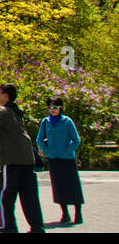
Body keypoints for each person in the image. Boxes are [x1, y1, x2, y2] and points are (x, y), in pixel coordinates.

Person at [0, 83, 45, 233]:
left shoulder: (3, 111)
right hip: (27, 158)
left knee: (6, 194)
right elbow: (8, 131)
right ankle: (37, 227)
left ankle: (9, 226)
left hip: (12, 159)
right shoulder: (16, 112)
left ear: (5, 96)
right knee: (29, 196)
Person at [36, 96, 84, 225]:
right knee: (59, 187)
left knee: (72, 186)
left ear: (60, 108)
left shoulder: (67, 121)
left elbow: (76, 140)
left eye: (55, 107)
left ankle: (78, 212)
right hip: (54, 159)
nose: (52, 110)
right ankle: (65, 213)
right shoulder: (45, 122)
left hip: (67, 159)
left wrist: (68, 150)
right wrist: (48, 152)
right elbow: (39, 139)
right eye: (50, 107)